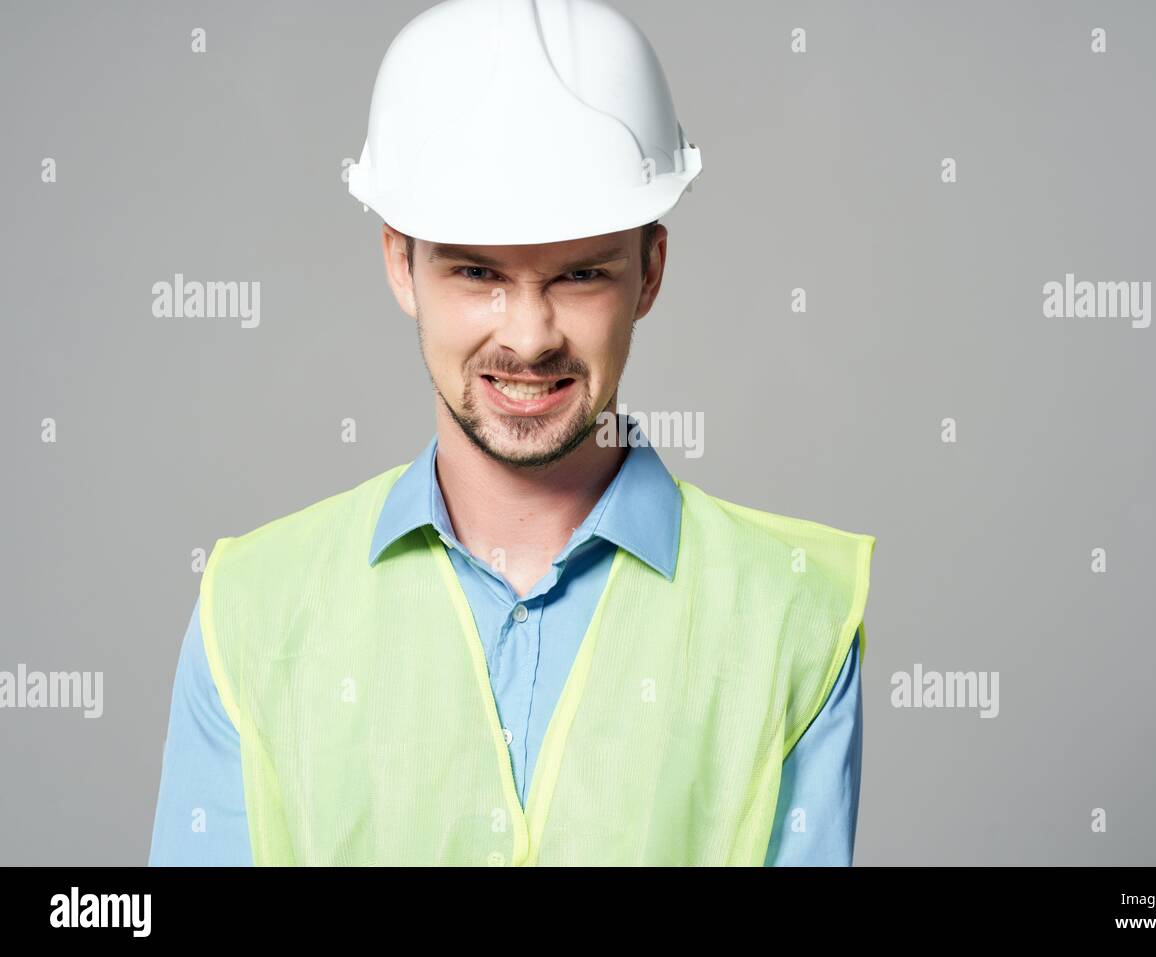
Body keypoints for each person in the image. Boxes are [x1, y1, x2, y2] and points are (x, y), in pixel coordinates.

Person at [149, 0, 875, 867]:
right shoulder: (253, 609)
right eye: (477, 272)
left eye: (579, 274)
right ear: (399, 264)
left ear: (649, 271)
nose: (529, 336)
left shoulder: (793, 609)